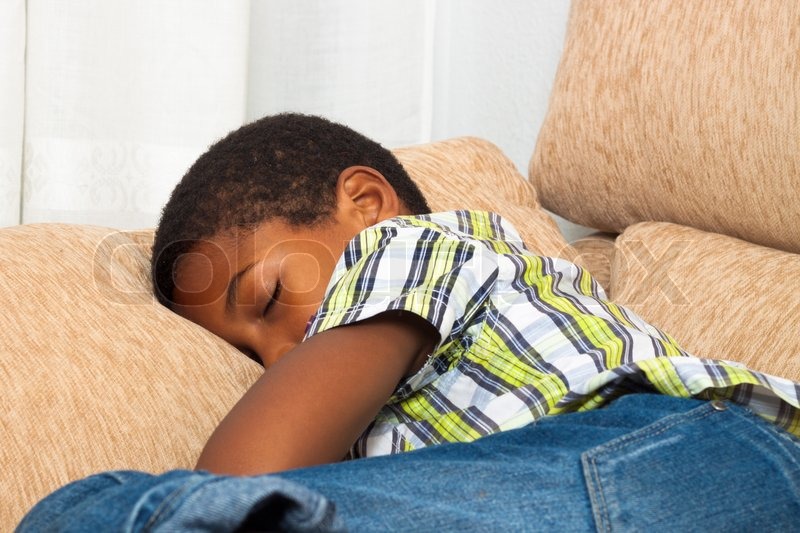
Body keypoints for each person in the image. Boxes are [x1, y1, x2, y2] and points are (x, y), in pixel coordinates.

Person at [18, 113, 800, 530]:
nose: (281, 355)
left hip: (676, 459)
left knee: (92, 511)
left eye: (266, 300)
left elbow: (236, 480)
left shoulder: (407, 249)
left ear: (364, 202)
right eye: (252, 355)